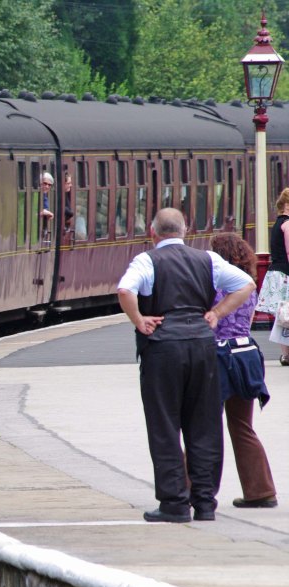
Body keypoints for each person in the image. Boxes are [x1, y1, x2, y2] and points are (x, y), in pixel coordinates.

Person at [117, 207, 255, 523]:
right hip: (202, 346)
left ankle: (175, 503)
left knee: (165, 426)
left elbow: (125, 290)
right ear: (185, 231)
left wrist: (139, 320)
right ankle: (205, 503)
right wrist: (217, 313)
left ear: (153, 233)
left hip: (163, 347)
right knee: (205, 424)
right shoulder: (208, 259)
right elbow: (246, 284)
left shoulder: (146, 261)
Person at [209, 233, 278, 509]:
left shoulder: (215, 287)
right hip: (246, 354)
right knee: (242, 426)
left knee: (206, 426)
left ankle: (194, 489)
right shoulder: (248, 286)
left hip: (217, 356)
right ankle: (260, 490)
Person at [256, 187, 289, 366]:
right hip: (285, 274)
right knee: (286, 315)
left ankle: (285, 354)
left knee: (284, 316)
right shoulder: (288, 224)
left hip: (276, 273)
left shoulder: (278, 223)